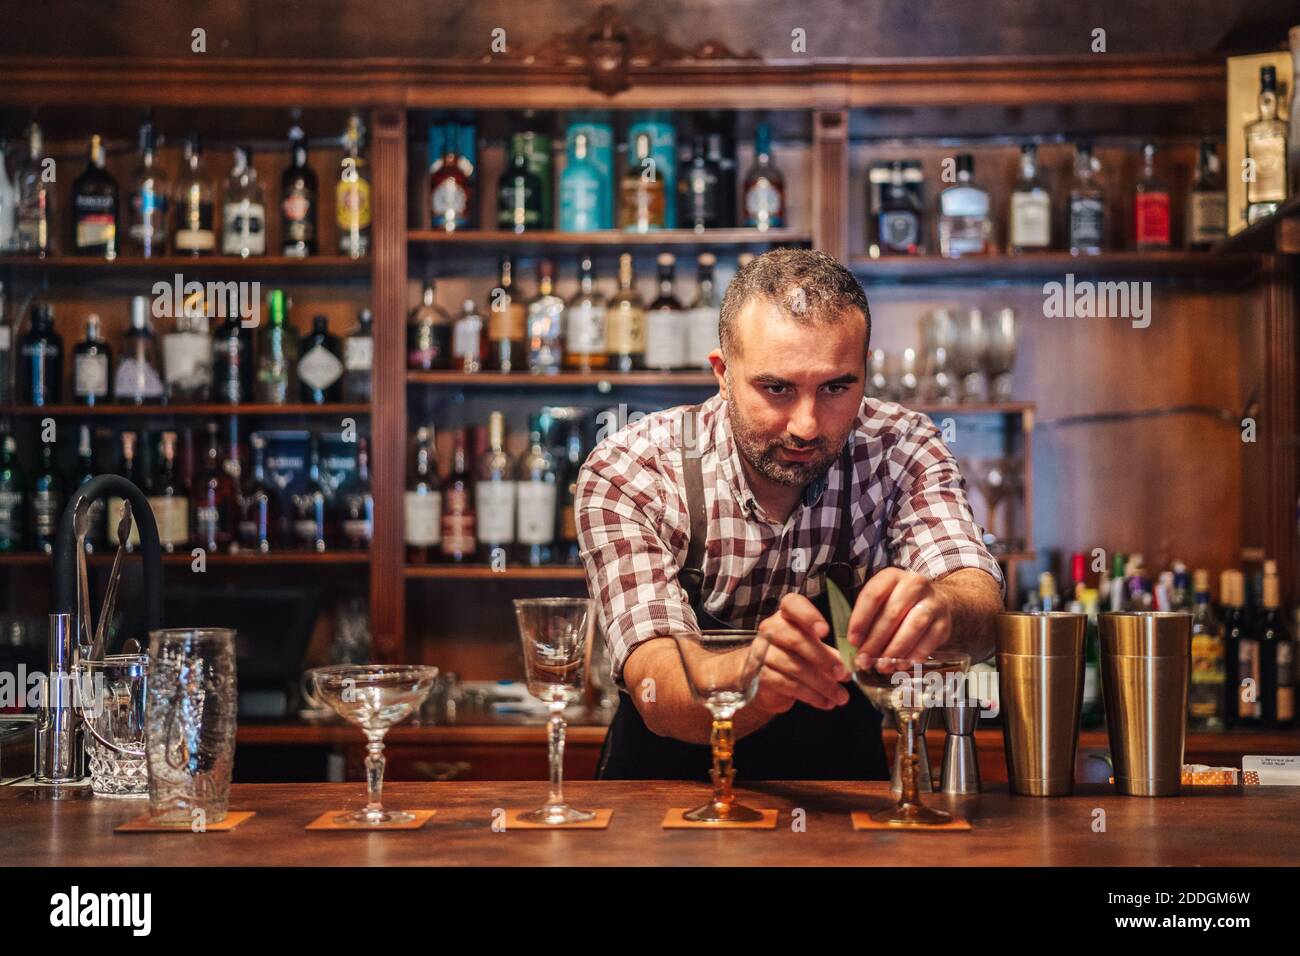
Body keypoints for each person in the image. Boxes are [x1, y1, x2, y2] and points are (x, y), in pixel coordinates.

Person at [577, 248, 1002, 780]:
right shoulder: (633, 470)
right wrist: (753, 676)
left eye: (835, 388)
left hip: (841, 803)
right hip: (668, 803)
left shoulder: (901, 449)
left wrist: (942, 608)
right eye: (776, 388)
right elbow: (654, 683)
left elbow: (982, 610)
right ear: (723, 373)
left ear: (864, 374)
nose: (805, 425)